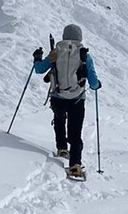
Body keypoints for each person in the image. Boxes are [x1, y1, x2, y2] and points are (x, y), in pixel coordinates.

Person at [32, 24, 101, 179]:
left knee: (59, 119)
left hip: (58, 97)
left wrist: (37, 58)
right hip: (77, 99)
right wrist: (98, 84)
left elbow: (39, 69)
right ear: (80, 37)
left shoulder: (56, 52)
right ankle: (75, 165)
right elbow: (94, 83)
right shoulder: (84, 56)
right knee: (75, 133)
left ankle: (62, 147)